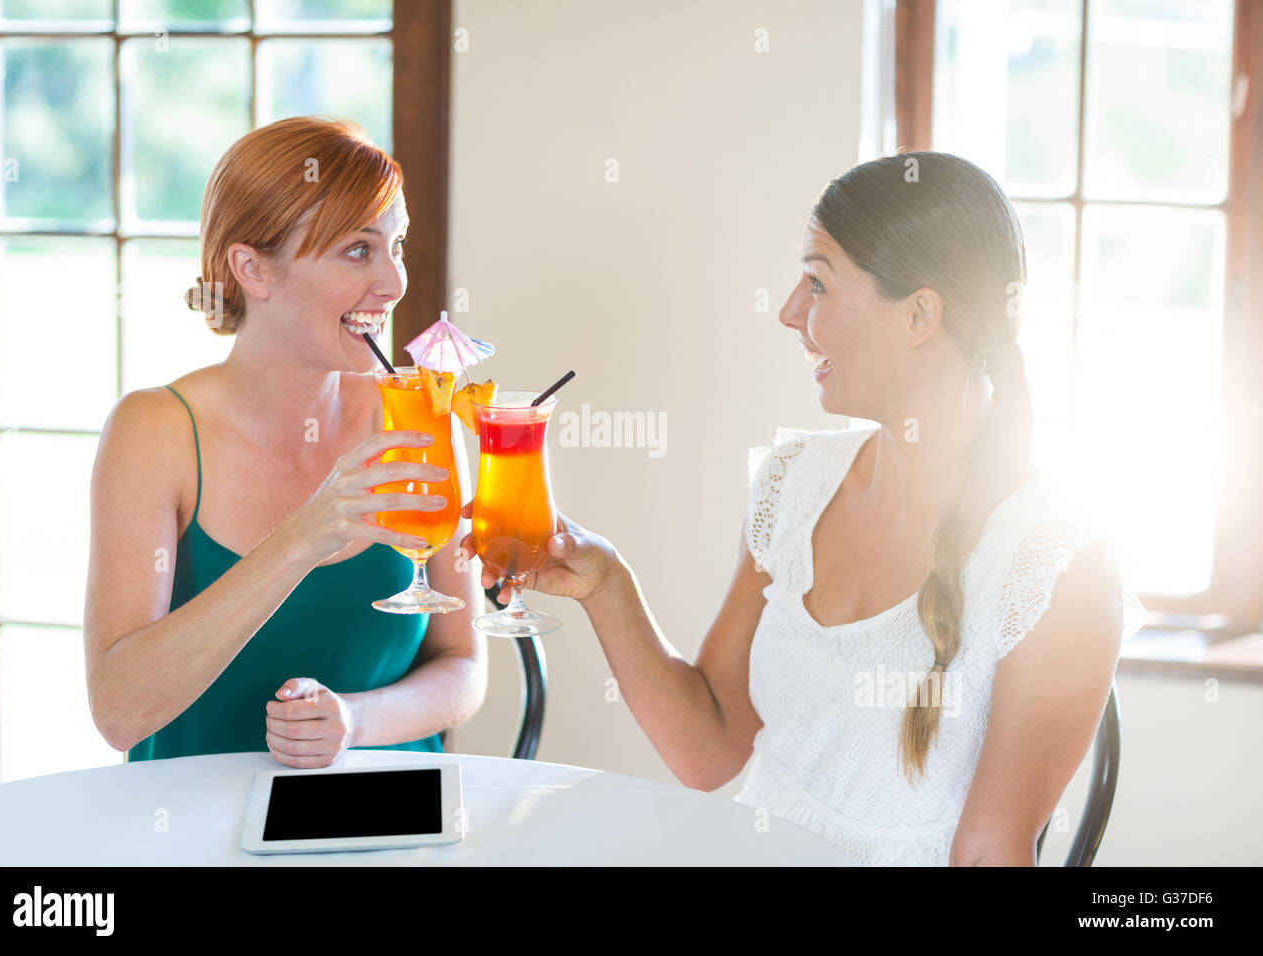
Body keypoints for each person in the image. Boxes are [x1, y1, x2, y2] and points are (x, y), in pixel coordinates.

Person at [463, 151, 1148, 865]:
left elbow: (987, 854)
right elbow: (711, 749)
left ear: (920, 314)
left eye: (818, 282)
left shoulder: (1060, 565)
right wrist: (606, 585)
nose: (790, 311)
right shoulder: (793, 482)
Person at [85, 116, 486, 768]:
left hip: (386, 819)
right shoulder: (154, 432)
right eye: (359, 250)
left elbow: (463, 664)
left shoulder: (418, 417)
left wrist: (354, 720)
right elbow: (119, 713)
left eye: (398, 245)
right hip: (189, 829)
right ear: (252, 269)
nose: (395, 283)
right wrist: (302, 539)